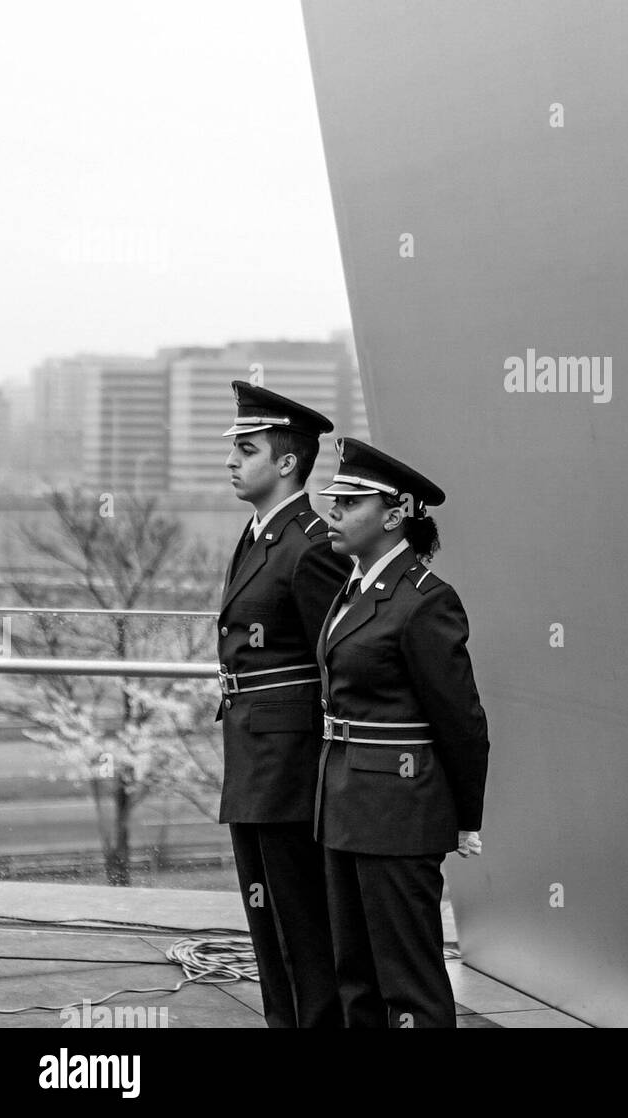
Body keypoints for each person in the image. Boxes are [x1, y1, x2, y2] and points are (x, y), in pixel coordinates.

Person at [316, 437, 489, 1028]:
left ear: (395, 515)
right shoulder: (355, 588)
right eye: (334, 497)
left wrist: (464, 817)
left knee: (408, 983)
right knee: (356, 979)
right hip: (345, 803)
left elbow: (461, 720)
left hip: (398, 813)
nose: (332, 510)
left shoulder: (424, 602)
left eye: (351, 500)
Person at [217, 380, 350, 1028]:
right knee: (270, 936)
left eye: (247, 449)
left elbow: (342, 662)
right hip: (255, 757)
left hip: (291, 767)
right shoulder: (262, 534)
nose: (232, 461)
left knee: (303, 939)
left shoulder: (310, 543)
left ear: (288, 461)